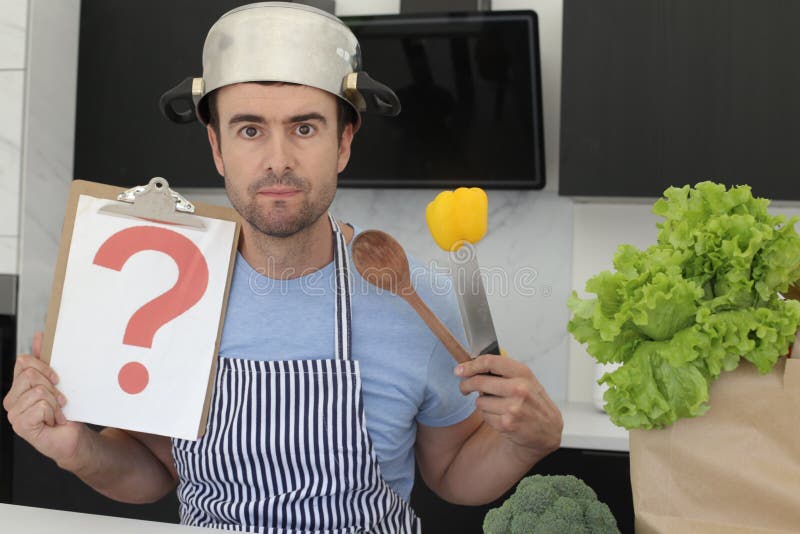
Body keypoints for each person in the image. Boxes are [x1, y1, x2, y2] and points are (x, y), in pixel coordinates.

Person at [3, 3, 563, 532]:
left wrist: (525, 442)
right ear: (217, 147)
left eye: (305, 128)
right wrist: (79, 451)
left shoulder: (415, 298)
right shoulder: (167, 288)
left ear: (343, 142)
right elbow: (155, 470)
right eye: (250, 130)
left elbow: (452, 472)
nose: (278, 160)